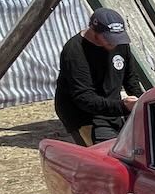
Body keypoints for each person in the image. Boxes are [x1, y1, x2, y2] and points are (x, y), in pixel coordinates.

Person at [54, 8, 142, 145]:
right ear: (93, 31)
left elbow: (131, 79)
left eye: (117, 39)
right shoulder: (74, 52)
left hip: (111, 107)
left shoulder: (119, 44)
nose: (114, 43)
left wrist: (141, 102)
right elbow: (84, 97)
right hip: (85, 115)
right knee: (105, 154)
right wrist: (122, 107)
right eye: (109, 39)